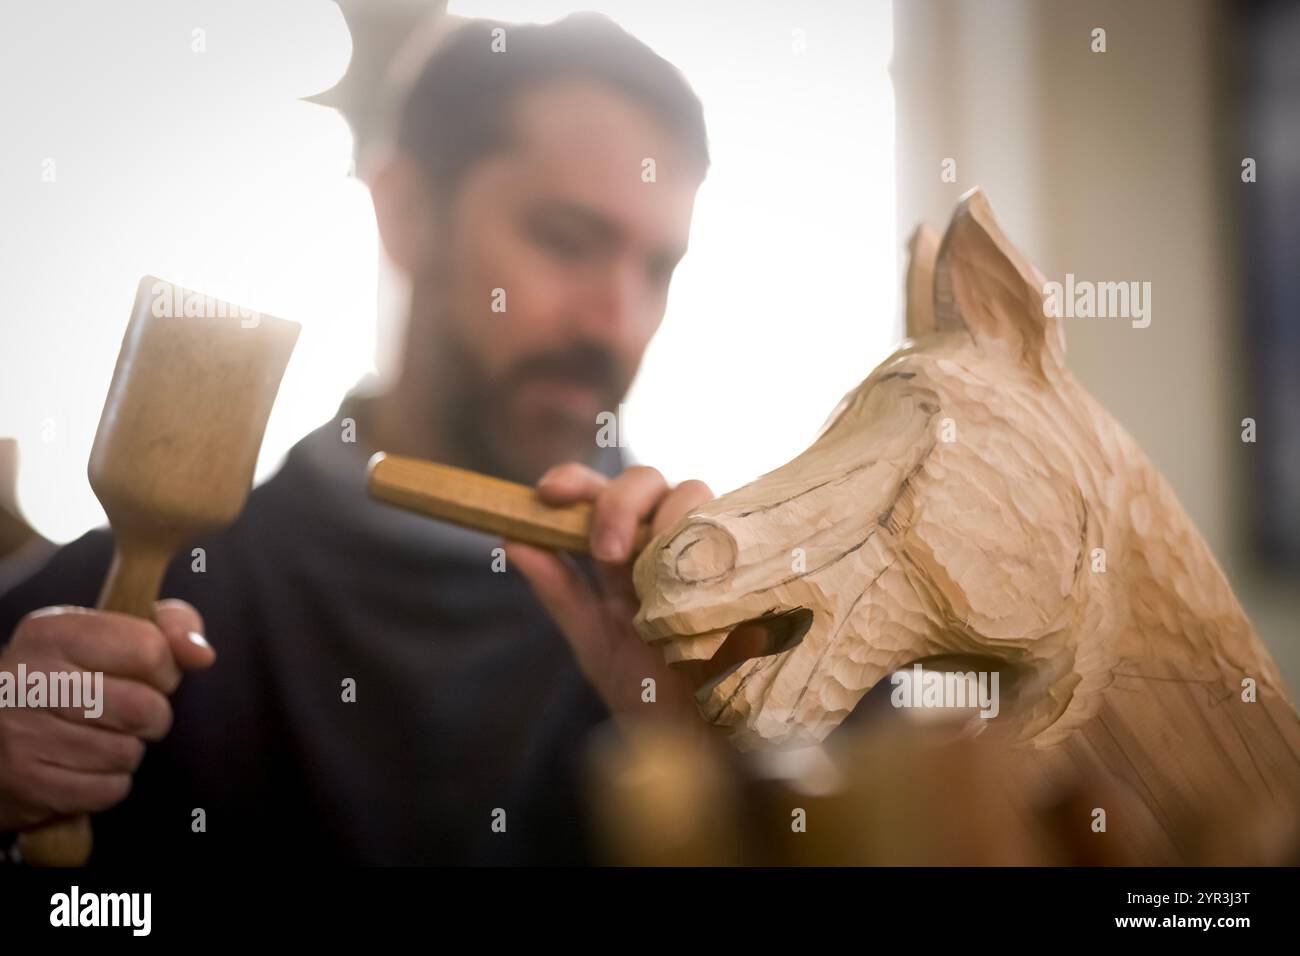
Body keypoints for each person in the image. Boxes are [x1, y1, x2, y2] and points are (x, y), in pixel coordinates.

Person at [0, 14, 715, 865]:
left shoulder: (717, 643)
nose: (617, 320)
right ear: (407, 211)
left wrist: (731, 776)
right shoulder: (84, 625)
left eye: (657, 269)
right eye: (565, 239)